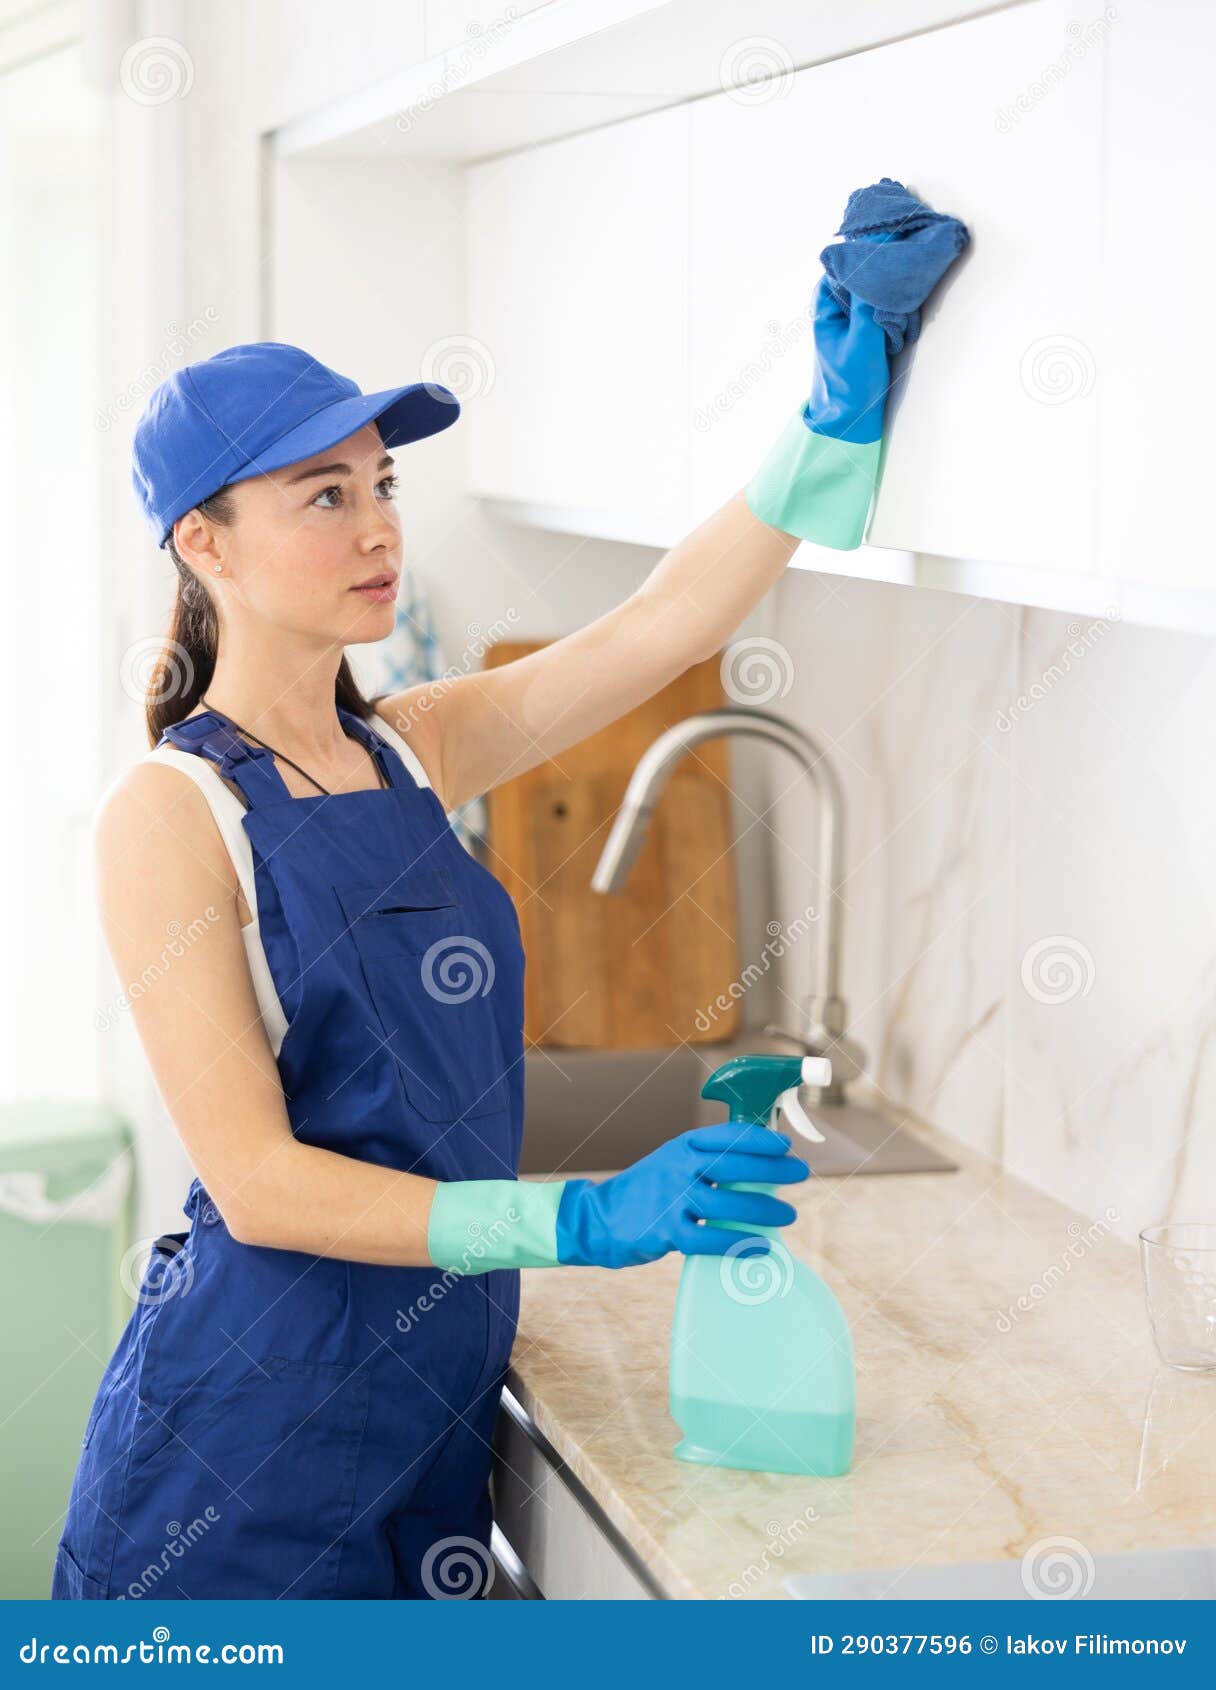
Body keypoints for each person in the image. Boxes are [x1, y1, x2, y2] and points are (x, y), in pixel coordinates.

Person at [53, 183, 962, 1598]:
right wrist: (583, 1218)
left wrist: (834, 408)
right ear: (204, 544)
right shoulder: (170, 815)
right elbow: (264, 1183)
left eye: (383, 487)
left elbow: (664, 620)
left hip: (428, 1417)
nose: (377, 529)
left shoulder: (412, 749)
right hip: (241, 1471)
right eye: (324, 494)